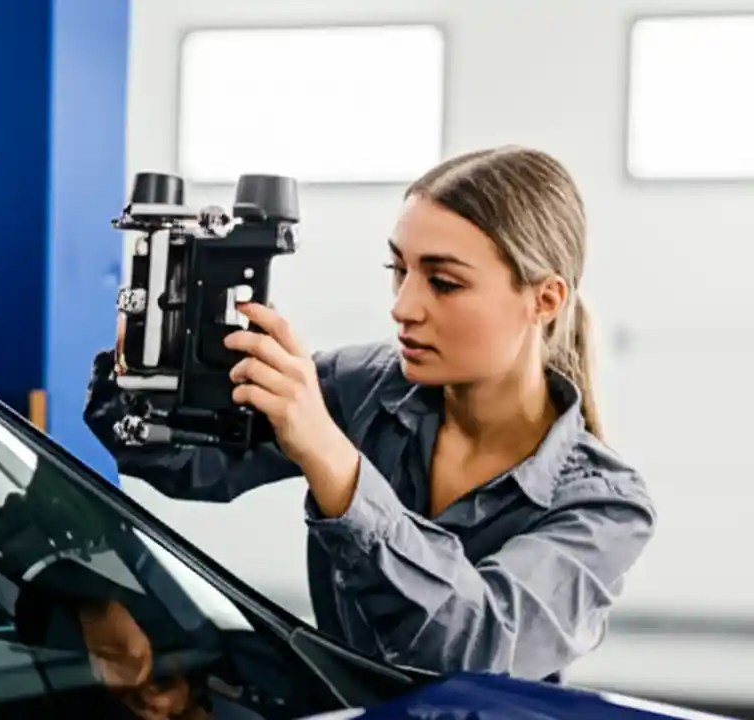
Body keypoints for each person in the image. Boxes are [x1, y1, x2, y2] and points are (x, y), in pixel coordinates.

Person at [84, 146, 656, 682]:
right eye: (398, 269)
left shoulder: (604, 506)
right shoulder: (362, 386)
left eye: (444, 282)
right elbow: (189, 466)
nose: (403, 306)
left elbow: (476, 647)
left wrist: (333, 461)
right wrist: (159, 370)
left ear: (545, 299)